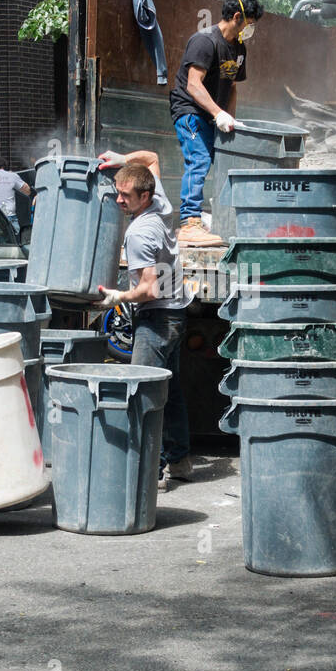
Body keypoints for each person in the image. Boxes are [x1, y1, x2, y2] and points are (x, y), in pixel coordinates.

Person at [94, 149, 194, 490]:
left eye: (126, 196)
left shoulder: (138, 234)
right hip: (176, 312)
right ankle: (179, 460)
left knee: (143, 391)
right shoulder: (161, 206)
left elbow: (148, 289)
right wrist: (122, 158)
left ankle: (150, 470)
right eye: (118, 193)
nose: (119, 201)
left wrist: (116, 296)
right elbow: (152, 157)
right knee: (173, 389)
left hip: (157, 318)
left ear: (144, 195)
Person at [168, 0, 262, 245]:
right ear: (236, 17)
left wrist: (231, 121)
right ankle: (188, 223)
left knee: (220, 164)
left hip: (212, 116)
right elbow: (193, 85)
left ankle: (215, 219)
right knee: (198, 160)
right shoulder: (204, 41)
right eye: (250, 23)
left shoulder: (238, 48)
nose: (251, 29)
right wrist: (217, 113)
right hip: (190, 111)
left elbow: (231, 86)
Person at [0, 160, 33, 235]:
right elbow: (27, 191)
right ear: (4, 166)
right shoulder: (12, 176)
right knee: (14, 242)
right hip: (10, 217)